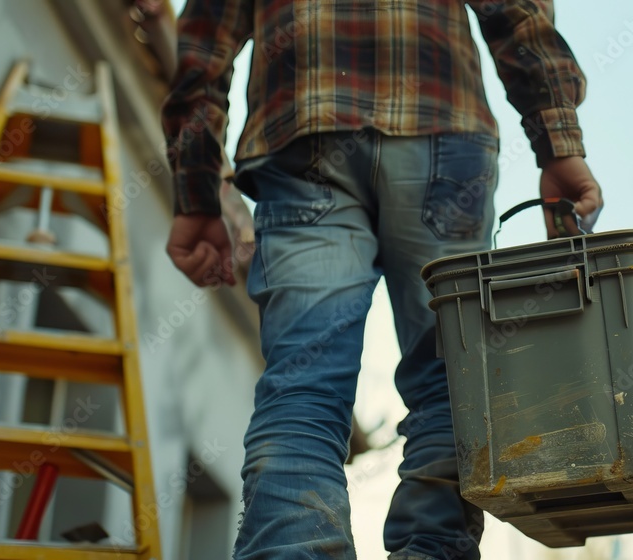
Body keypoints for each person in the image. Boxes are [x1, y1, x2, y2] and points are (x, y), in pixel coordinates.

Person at [161, 0, 602, 558]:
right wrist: (558, 143)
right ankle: (431, 548)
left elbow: (203, 44)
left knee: (304, 384)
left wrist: (196, 191)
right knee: (450, 381)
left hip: (303, 136)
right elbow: (516, 13)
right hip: (441, 132)